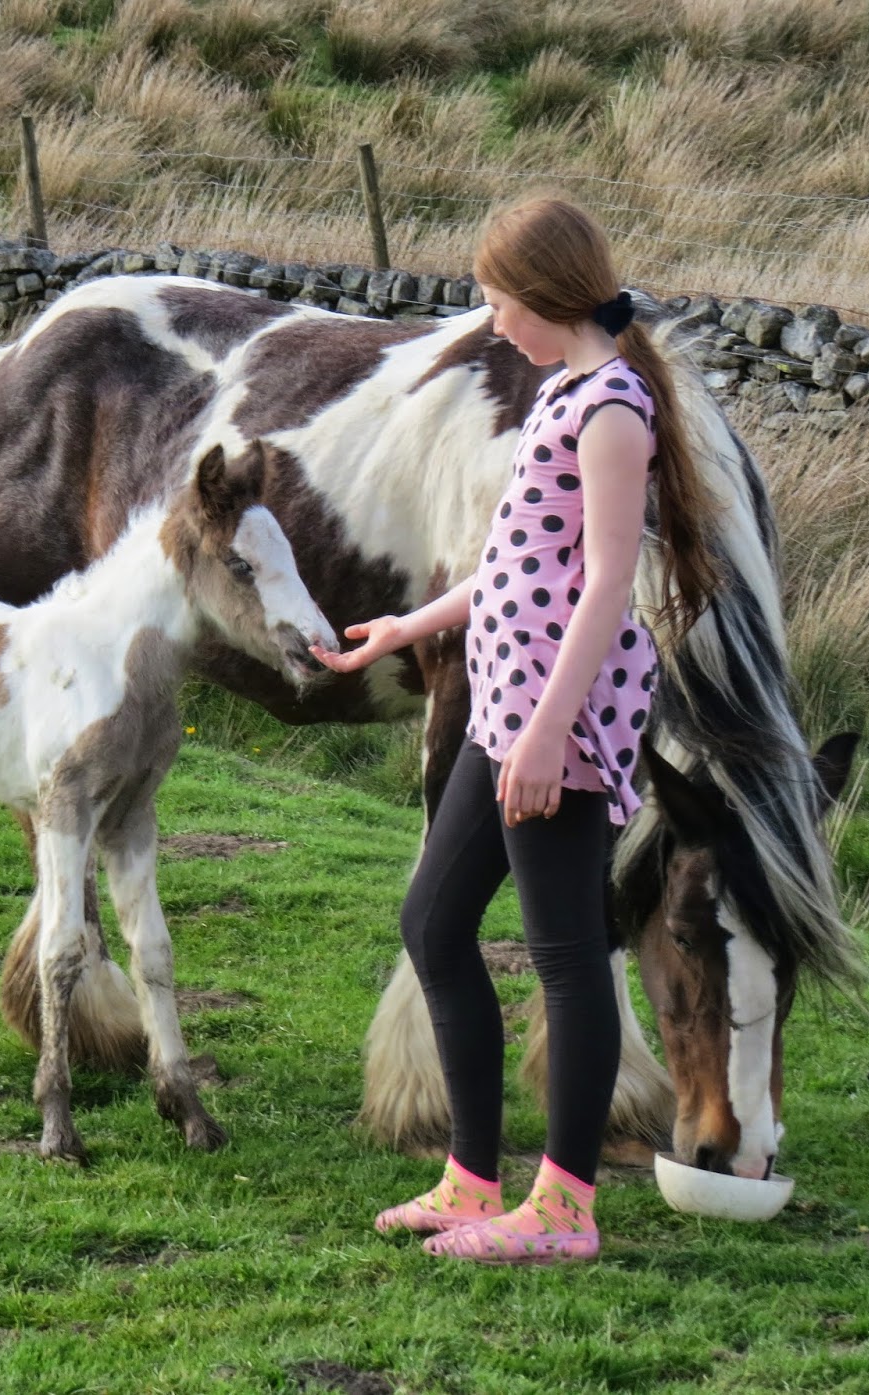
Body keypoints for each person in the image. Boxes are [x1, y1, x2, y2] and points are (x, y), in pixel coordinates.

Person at [312, 197, 718, 1265]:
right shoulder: (561, 393)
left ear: (546, 294)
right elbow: (516, 567)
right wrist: (412, 622)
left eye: (500, 300)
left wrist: (546, 738)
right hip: (501, 709)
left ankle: (564, 1210)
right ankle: (471, 1179)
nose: (492, 322)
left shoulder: (613, 414)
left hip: (550, 723)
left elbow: (605, 588)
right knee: (435, 929)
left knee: (565, 958)